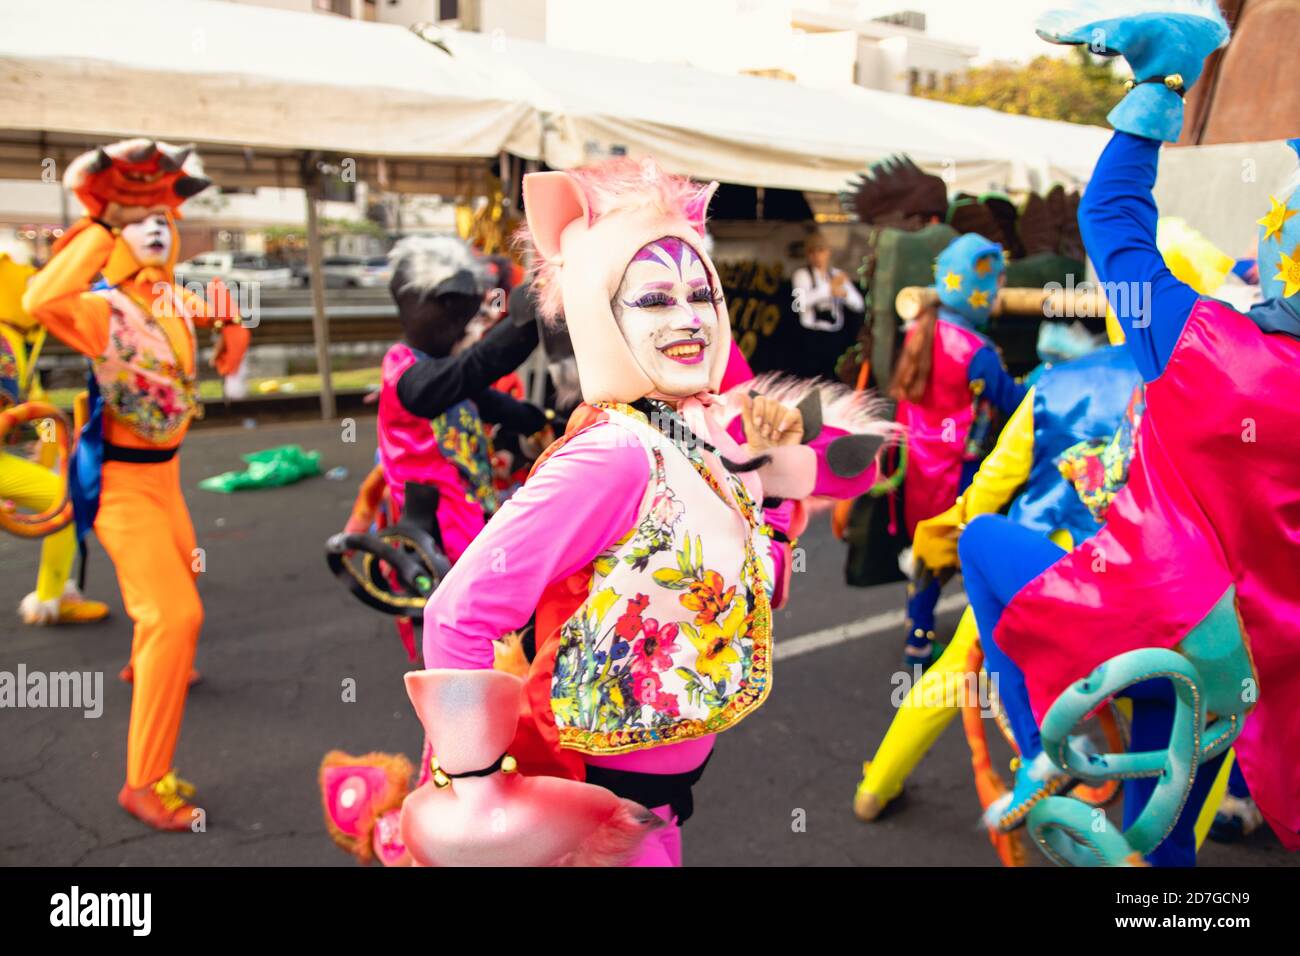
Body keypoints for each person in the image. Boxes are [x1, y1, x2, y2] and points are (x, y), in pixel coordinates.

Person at [396, 157, 892, 867]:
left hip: (654, 796)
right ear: (601, 314)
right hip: (590, 803)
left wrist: (778, 490)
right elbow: (458, 615)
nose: (690, 319)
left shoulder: (698, 424)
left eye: (702, 295)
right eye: (655, 300)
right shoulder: (612, 456)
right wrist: (477, 792)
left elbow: (847, 459)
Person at [961, 1, 1299, 863]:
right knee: (1168, 832)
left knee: (984, 543)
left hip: (1149, 617)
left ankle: (1045, 748)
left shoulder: (1207, 345)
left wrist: (1159, 87)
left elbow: (1111, 218)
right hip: (1246, 666)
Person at [23, 139, 249, 831]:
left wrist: (231, 330)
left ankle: (147, 664)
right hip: (121, 487)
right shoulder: (99, 311)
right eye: (136, 218)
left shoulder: (174, 296)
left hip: (169, 482)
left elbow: (220, 309)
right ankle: (143, 781)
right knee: (174, 616)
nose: (153, 225)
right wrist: (100, 223)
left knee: (184, 590)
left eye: (161, 215)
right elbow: (40, 298)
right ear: (115, 236)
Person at [853, 328, 1141, 825]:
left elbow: (993, 482)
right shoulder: (1191, 385)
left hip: (1025, 563)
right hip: (1130, 581)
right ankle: (1167, 837)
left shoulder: (1056, 382)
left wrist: (939, 539)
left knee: (953, 678)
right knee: (1160, 696)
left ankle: (875, 787)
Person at [890, 234, 1026, 669]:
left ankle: (918, 638)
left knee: (929, 555)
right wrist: (1045, 375)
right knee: (979, 554)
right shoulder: (977, 351)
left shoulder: (917, 329)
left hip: (919, 466)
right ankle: (994, 642)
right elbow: (1012, 401)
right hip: (962, 470)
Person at [1, 251, 109, 625]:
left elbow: (38, 407)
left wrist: (52, 450)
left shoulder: (16, 342)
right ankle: (51, 597)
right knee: (66, 503)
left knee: (67, 500)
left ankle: (53, 595)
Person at [792, 230, 864, 333]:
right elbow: (799, 304)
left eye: (820, 250)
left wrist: (845, 294)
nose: (817, 256)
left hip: (835, 331)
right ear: (807, 254)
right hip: (810, 332)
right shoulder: (801, 275)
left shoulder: (837, 274)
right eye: (812, 252)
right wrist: (828, 289)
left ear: (828, 252)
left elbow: (859, 305)